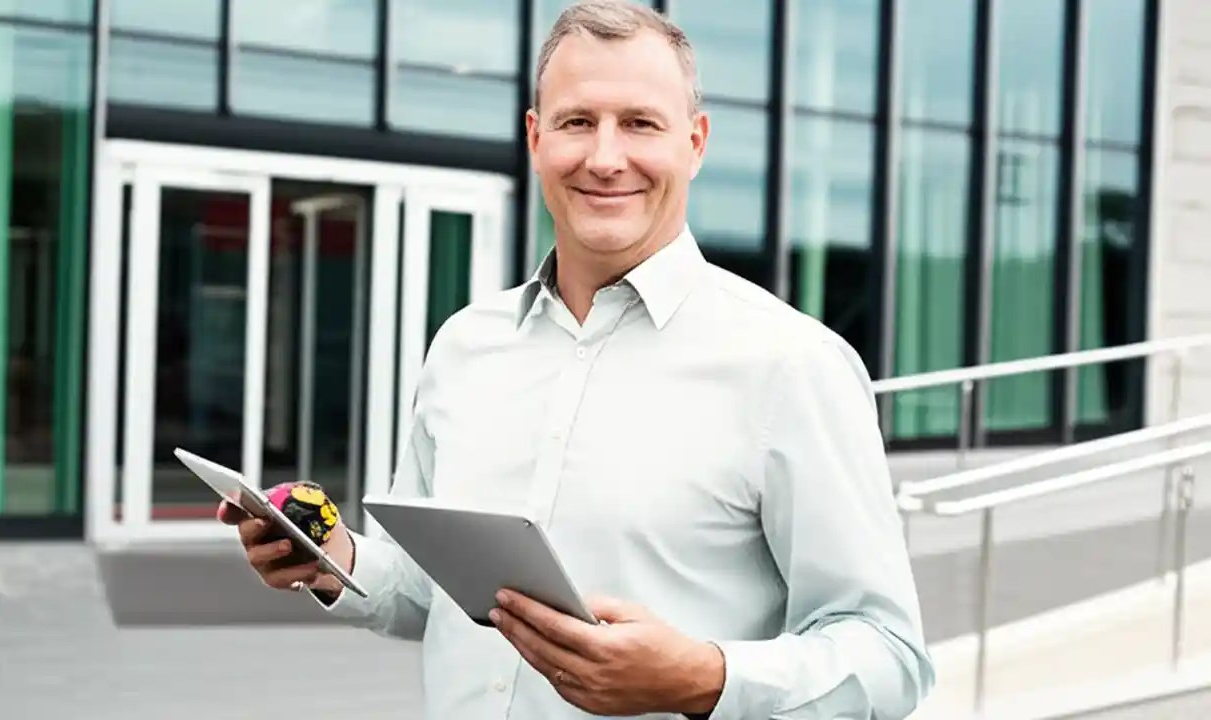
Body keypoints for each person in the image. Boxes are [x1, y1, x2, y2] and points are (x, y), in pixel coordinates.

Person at [218, 1, 935, 717]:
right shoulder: (467, 346)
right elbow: (432, 595)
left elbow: (889, 658)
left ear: (696, 142)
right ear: (536, 138)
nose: (604, 157)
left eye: (641, 123)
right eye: (577, 121)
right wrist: (331, 557)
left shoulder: (792, 365)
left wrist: (703, 678)